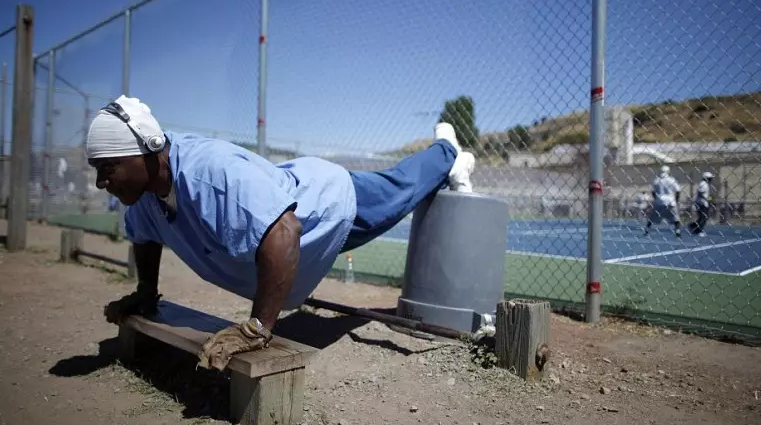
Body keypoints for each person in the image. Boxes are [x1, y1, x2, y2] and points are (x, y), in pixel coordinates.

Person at [85, 95, 476, 371]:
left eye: (108, 167)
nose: (103, 181)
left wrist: (257, 329)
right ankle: (446, 159)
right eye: (98, 171)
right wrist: (145, 294)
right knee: (398, 191)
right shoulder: (148, 197)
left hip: (326, 204)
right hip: (297, 210)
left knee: (400, 191)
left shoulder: (207, 174)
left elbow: (285, 231)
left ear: (148, 149)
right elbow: (145, 237)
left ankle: (448, 153)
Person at [643, 165, 682, 237]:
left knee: (652, 217)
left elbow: (653, 192)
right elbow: (678, 190)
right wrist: (676, 200)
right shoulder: (672, 180)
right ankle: (677, 231)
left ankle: (647, 230)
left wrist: (656, 199)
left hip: (659, 201)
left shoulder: (657, 180)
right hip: (671, 201)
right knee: (676, 218)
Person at [689, 171, 713, 237]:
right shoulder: (703, 184)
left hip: (702, 203)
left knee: (702, 217)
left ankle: (693, 226)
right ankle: (698, 230)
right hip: (701, 203)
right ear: (706, 178)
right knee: (704, 217)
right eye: (709, 178)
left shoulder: (704, 183)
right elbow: (700, 193)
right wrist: (707, 198)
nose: (711, 179)